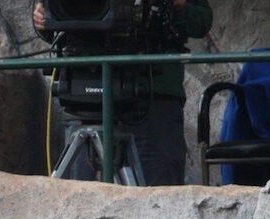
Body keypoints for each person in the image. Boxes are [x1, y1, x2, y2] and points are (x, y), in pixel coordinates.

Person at [33, 0, 214, 185]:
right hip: (84, 91)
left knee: (157, 195)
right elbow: (58, 17)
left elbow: (202, 21)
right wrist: (42, 19)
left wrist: (177, 6)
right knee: (78, 193)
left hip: (151, 94)